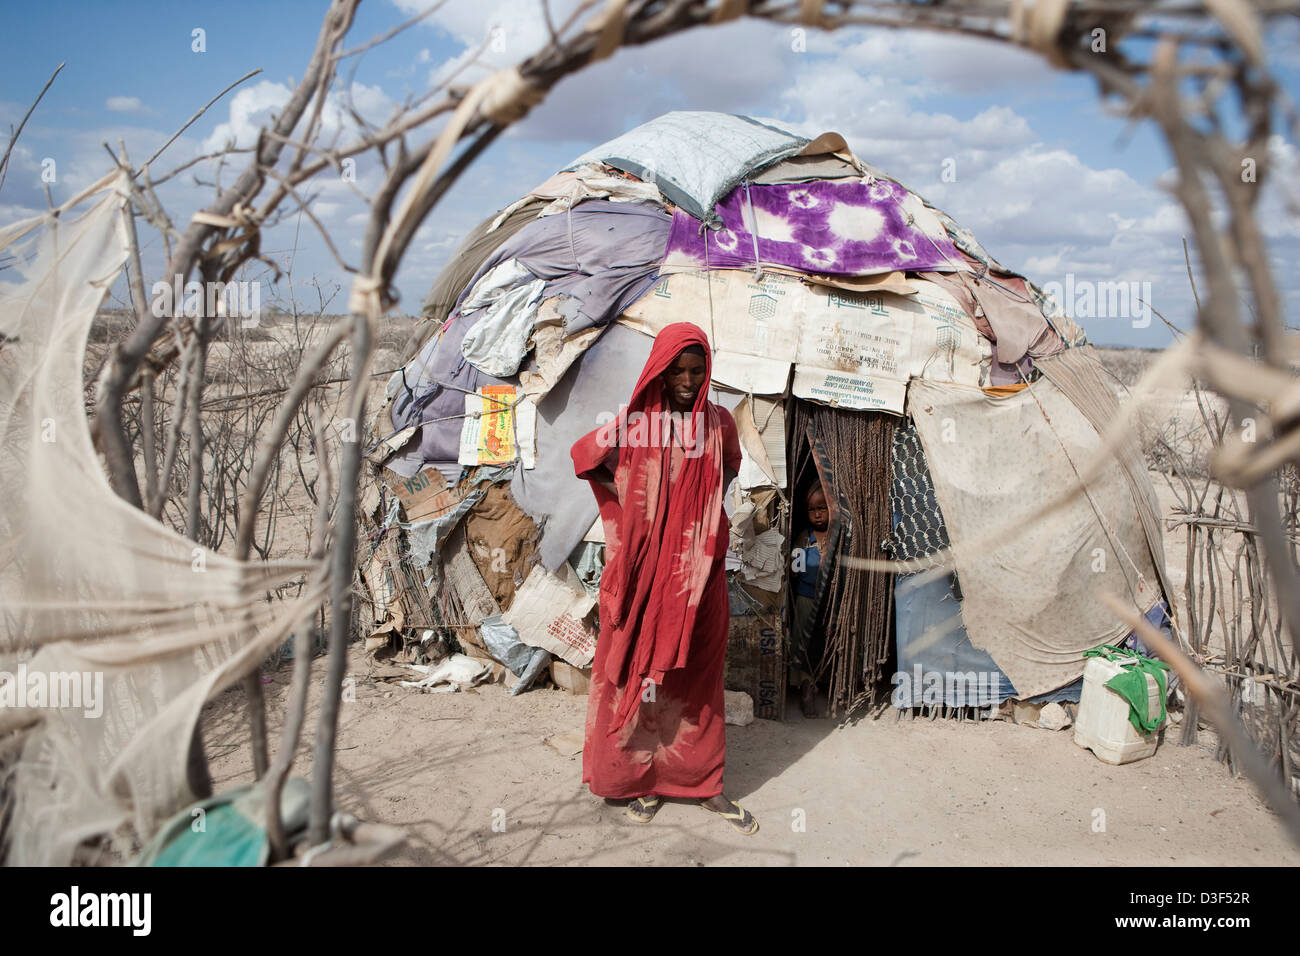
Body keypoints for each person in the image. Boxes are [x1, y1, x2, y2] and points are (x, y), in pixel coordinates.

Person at [570, 322, 757, 835]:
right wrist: (636, 495)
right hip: (645, 581)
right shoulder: (637, 426)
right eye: (678, 371)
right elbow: (585, 456)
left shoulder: (719, 425)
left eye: (697, 371)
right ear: (659, 370)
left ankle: (702, 784)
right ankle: (644, 780)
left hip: (700, 581)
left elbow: (728, 472)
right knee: (642, 675)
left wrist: (691, 520)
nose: (688, 380)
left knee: (698, 683)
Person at [791, 481, 830, 718]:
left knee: (822, 642)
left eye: (822, 508)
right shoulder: (804, 539)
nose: (817, 514)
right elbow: (795, 571)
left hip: (829, 601)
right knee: (802, 642)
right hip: (806, 599)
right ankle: (805, 686)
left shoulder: (838, 538)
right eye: (812, 510)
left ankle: (819, 682)